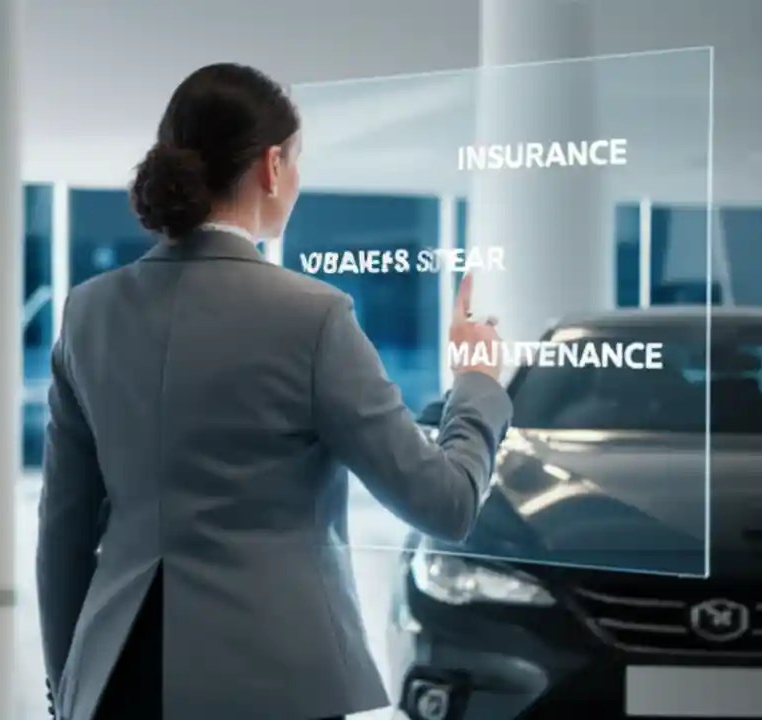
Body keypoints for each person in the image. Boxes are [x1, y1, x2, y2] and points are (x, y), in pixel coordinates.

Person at [37, 63, 511, 720]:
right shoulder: (313, 316)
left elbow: (62, 531)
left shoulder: (88, 312)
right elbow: (445, 503)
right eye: (297, 160)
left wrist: (70, 686)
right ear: (270, 167)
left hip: (120, 679)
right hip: (278, 680)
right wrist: (477, 385)